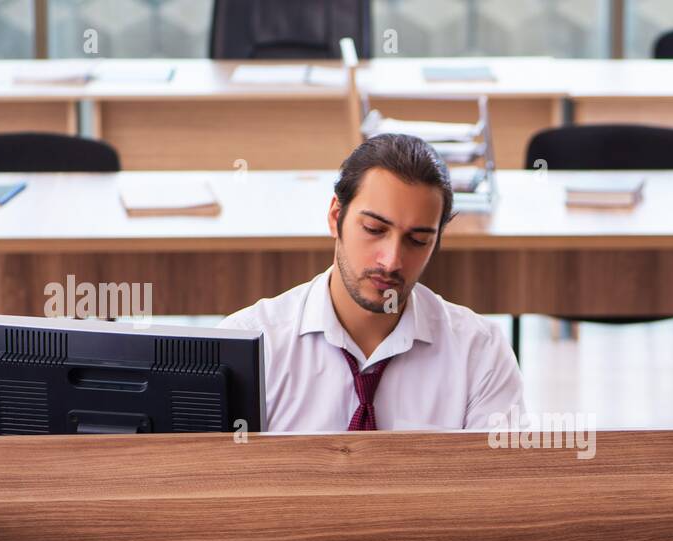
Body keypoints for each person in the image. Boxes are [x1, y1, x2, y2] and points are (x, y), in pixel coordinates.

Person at [221, 133, 524, 432]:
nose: (391, 261)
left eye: (417, 241)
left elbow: (499, 480)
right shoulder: (248, 346)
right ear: (335, 216)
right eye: (374, 229)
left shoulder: (480, 354)